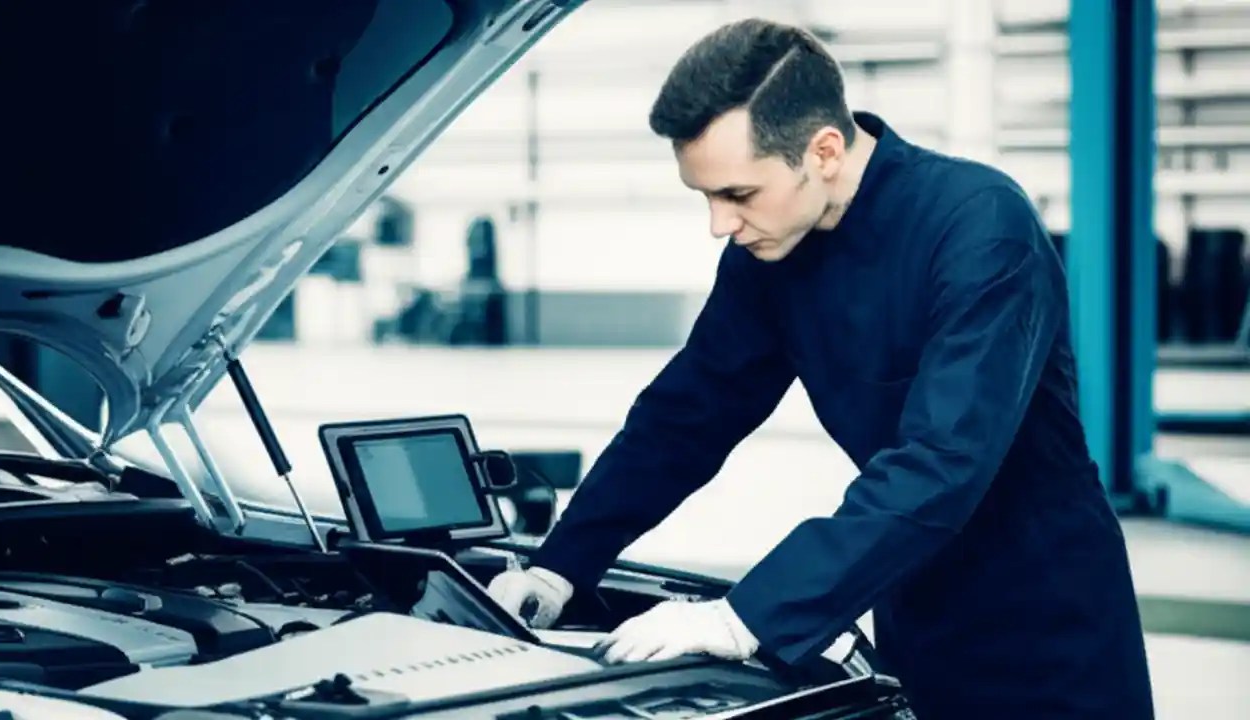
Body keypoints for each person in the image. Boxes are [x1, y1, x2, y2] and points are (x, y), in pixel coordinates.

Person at [487, 17, 1154, 720]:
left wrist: (739, 617)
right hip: (905, 597)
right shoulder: (771, 251)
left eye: (738, 195)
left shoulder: (980, 228)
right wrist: (562, 564)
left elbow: (940, 463)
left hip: (1045, 630)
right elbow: (686, 416)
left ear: (825, 150)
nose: (720, 224)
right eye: (706, 197)